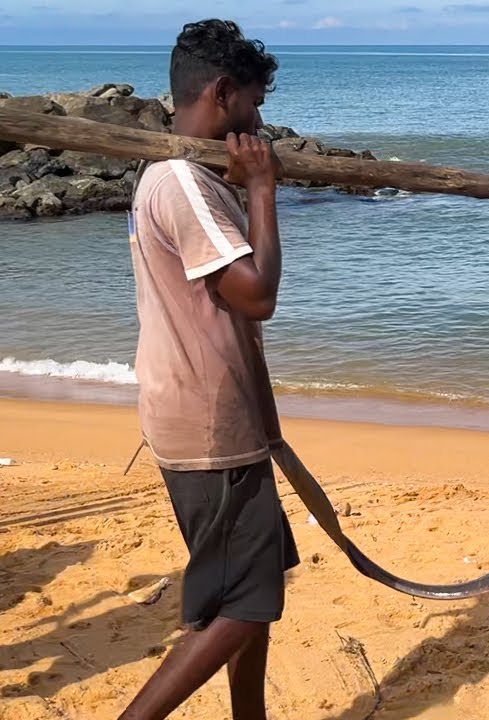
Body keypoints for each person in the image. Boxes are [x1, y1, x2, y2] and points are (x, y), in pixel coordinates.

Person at [119, 19, 296, 720]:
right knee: (246, 608)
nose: (260, 124)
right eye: (253, 105)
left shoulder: (173, 175)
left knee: (249, 593)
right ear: (222, 94)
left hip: (214, 416)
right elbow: (257, 296)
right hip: (208, 425)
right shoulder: (183, 182)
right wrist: (261, 190)